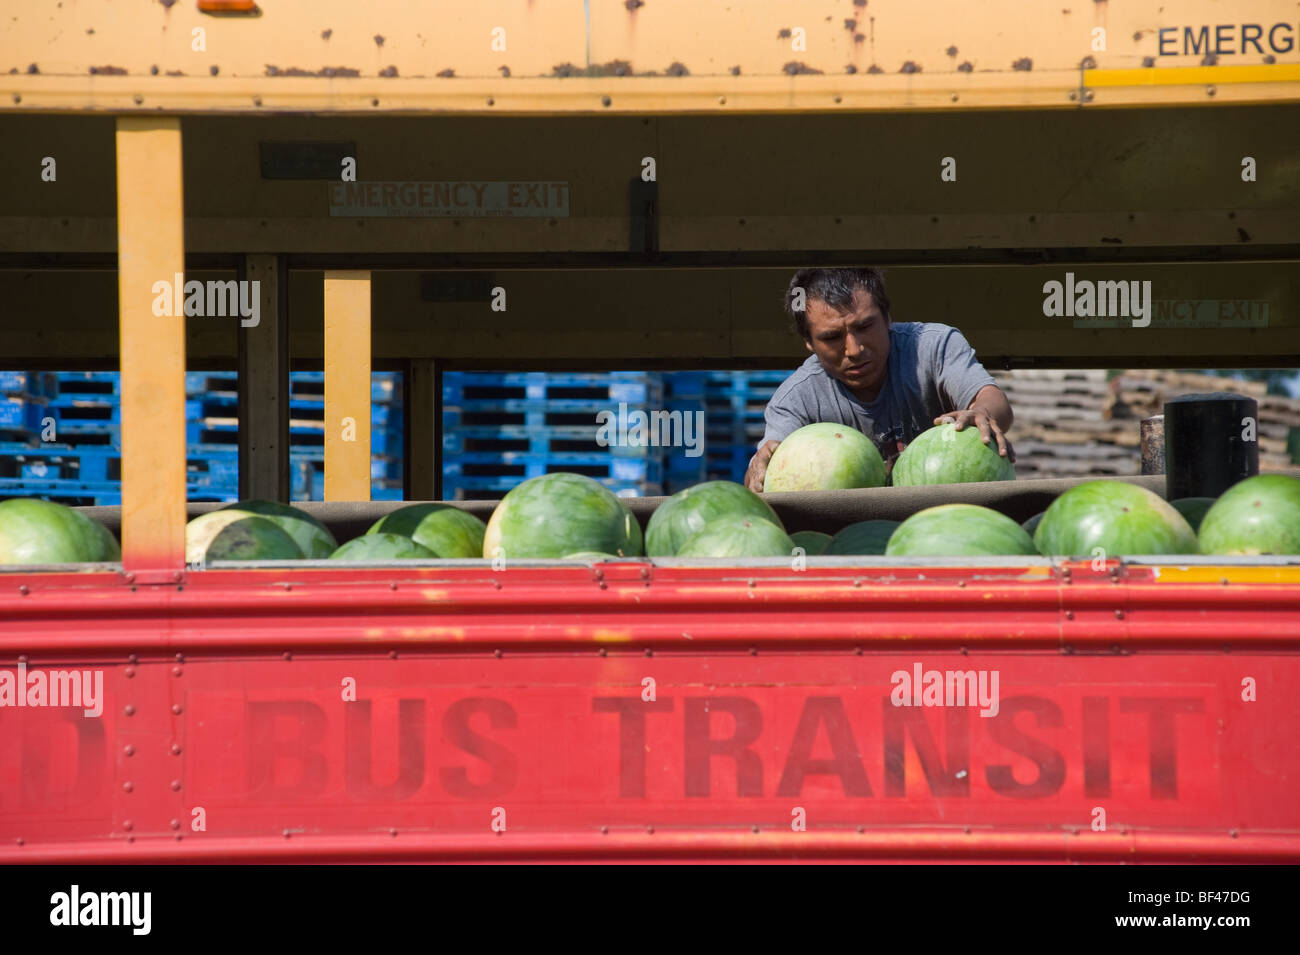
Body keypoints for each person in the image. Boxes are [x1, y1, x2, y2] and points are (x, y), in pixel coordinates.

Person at [745, 267, 1014, 492]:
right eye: (831, 338)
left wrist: (981, 412)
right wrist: (761, 469)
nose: (854, 350)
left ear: (887, 318)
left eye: (864, 327)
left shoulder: (932, 348)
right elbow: (762, 476)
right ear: (809, 343)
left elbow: (992, 401)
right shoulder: (796, 400)